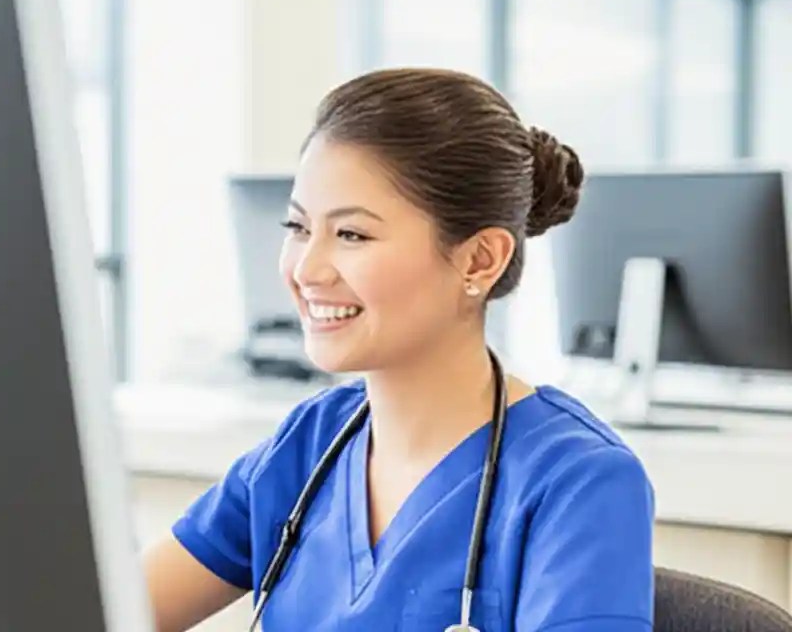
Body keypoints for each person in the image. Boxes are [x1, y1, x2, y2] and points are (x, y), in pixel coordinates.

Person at [142, 68, 655, 631]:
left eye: (352, 235)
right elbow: (109, 611)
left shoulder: (578, 481)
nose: (307, 269)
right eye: (297, 227)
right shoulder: (308, 448)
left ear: (480, 260)